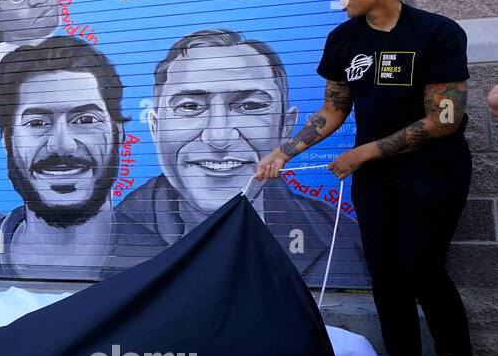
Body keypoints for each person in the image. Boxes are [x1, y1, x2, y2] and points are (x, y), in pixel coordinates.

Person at [255, 0, 479, 356]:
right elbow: (334, 108)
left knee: (422, 267)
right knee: (385, 271)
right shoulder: (343, 40)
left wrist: (365, 152)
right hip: (376, 177)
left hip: (433, 170)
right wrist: (283, 151)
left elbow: (443, 119)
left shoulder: (437, 33)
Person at [115, 28, 367, 286]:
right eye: (190, 106)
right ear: (155, 127)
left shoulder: (342, 239)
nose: (219, 137)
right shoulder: (109, 238)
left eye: (251, 106)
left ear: (286, 126)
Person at [0, 37, 163, 278]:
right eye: (37, 123)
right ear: (7, 139)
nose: (62, 145)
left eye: (85, 120)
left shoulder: (159, 268)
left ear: (119, 132)